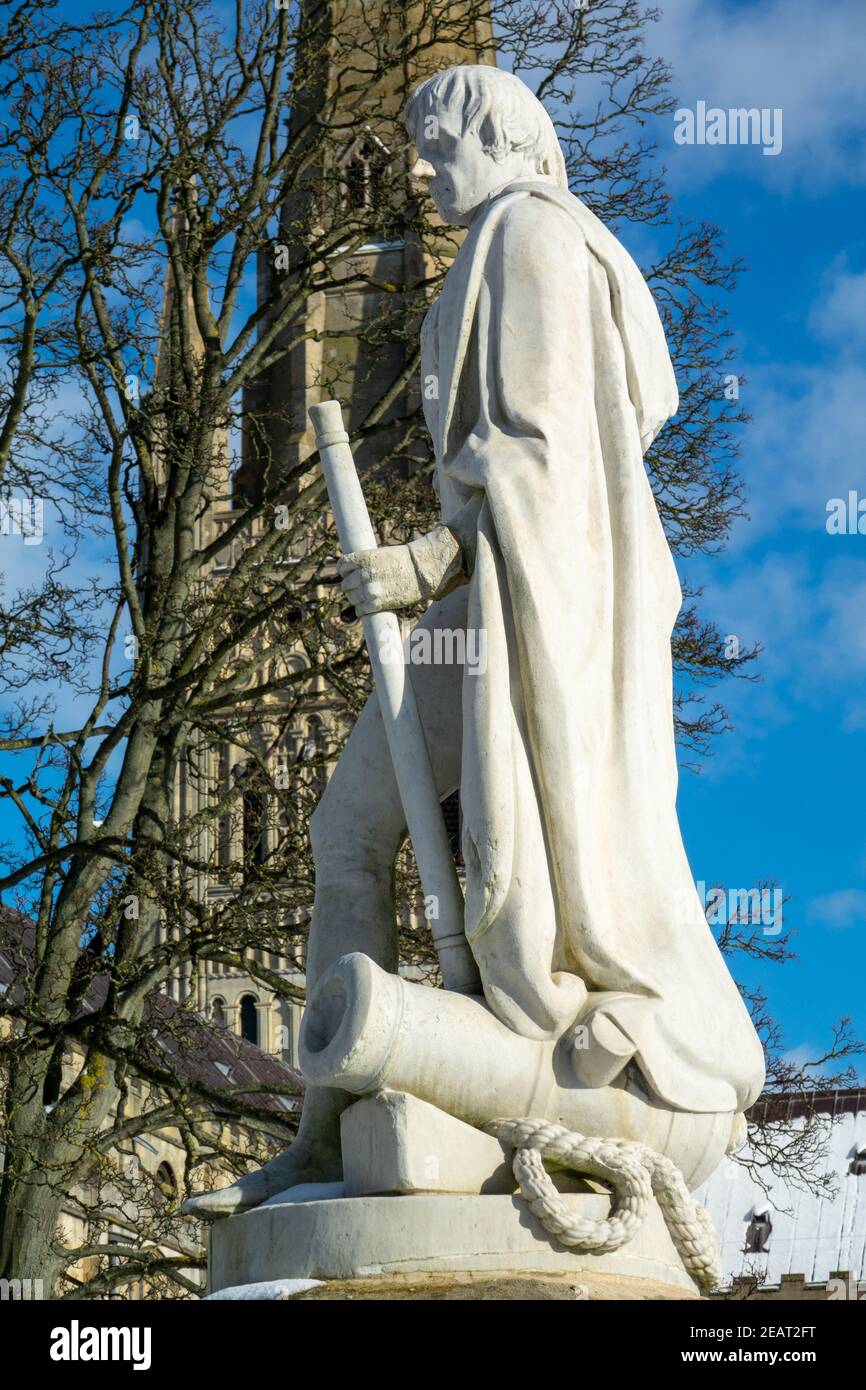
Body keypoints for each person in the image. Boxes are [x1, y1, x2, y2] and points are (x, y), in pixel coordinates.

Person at [186, 65, 764, 1219]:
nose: (414, 171)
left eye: (432, 147)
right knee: (345, 826)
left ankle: (542, 1032)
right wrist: (433, 555)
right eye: (393, 153)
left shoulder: (530, 241)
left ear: (499, 140)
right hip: (493, 584)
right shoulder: (495, 253)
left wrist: (418, 558)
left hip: (529, 592)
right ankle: (319, 1126)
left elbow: (540, 466)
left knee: (491, 859)